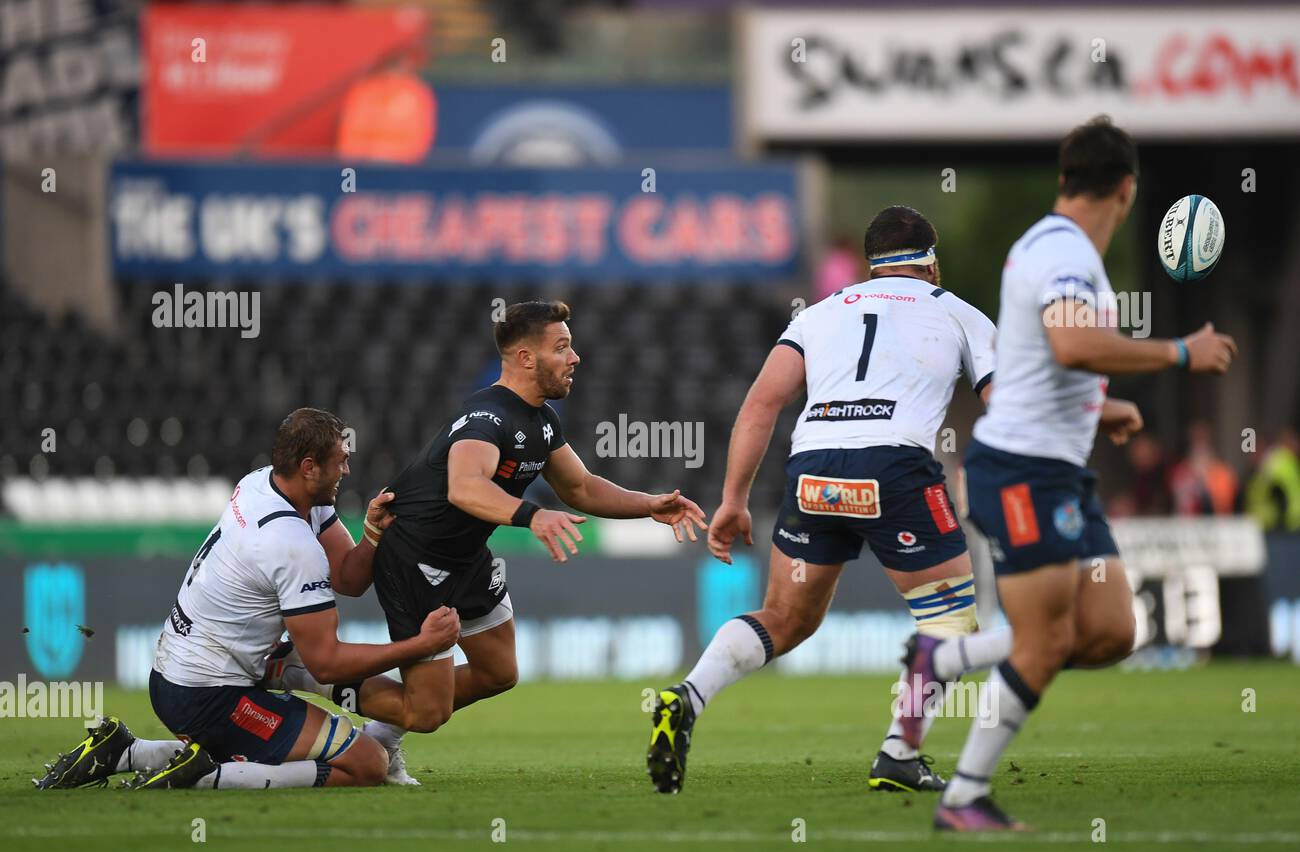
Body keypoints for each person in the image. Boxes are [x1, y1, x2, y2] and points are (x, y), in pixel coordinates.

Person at [911, 116, 1237, 831]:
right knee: (1047, 642)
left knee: (1115, 628)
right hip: (1022, 472)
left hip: (1059, 472)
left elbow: (1041, 362)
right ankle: (964, 798)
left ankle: (948, 655)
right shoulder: (1066, 251)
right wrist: (1180, 351)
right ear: (1126, 190)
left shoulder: (1047, 246)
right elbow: (1069, 342)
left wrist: (1103, 405)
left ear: (1067, 178)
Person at [647, 204, 1010, 795]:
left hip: (813, 470)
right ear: (930, 263)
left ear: (870, 266)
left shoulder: (820, 313)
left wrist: (733, 499)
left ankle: (687, 694)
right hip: (895, 468)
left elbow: (762, 403)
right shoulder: (958, 312)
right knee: (950, 619)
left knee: (786, 619)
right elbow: (1005, 407)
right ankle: (898, 752)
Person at [270, 301, 708, 782]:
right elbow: (465, 486)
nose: (575, 357)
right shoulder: (486, 418)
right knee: (427, 714)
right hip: (417, 559)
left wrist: (650, 505)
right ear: (524, 358)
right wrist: (532, 516)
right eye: (561, 347)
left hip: (465, 556)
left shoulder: (542, 420)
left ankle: (379, 735)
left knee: (500, 672)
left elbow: (579, 487)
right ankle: (302, 674)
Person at [35, 408, 459, 790]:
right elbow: (326, 661)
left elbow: (349, 577)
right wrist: (420, 646)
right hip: (207, 693)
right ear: (309, 467)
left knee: (337, 697)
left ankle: (127, 751)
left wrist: (371, 536)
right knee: (367, 764)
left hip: (199, 664)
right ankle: (204, 776)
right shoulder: (289, 545)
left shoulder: (265, 483)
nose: (347, 469)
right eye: (340, 461)